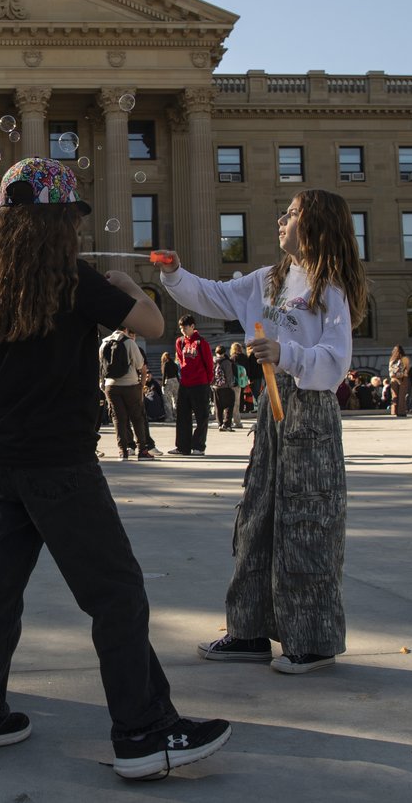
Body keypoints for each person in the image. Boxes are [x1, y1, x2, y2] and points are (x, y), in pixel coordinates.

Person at [0, 156, 230, 779]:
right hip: (62, 463)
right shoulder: (72, 281)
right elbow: (154, 324)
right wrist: (130, 288)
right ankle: (144, 730)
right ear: (59, 223)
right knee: (115, 593)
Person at [158, 188, 367, 677]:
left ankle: (311, 641)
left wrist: (285, 354)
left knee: (305, 520)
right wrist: (172, 273)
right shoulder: (269, 280)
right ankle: (249, 631)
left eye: (291, 214)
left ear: (314, 224)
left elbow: (336, 363)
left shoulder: (328, 285)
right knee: (257, 516)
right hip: (273, 416)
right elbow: (211, 295)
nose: (280, 220)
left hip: (308, 411)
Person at [100, 326, 153, 459]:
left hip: (110, 386)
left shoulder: (104, 343)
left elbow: (100, 367)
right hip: (130, 385)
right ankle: (142, 451)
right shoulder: (129, 342)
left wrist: (102, 385)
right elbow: (140, 365)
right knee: (137, 418)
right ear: (126, 330)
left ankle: (123, 451)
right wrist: (141, 386)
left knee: (118, 419)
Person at [171, 314, 212, 456]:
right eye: (181, 328)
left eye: (185, 327)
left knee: (202, 416)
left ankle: (199, 446)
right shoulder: (180, 342)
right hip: (185, 384)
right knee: (182, 416)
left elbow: (209, 364)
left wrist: (208, 381)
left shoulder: (202, 343)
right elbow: (181, 361)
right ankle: (182, 447)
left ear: (193, 326)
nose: (183, 330)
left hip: (200, 384)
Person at [210, 344, 237, 432]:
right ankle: (227, 424)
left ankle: (220, 424)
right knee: (229, 405)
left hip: (216, 387)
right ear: (224, 352)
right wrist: (230, 385)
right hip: (226, 387)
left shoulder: (213, 361)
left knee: (218, 406)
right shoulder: (227, 362)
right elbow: (229, 375)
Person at [388, 345, 411, 417]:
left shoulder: (392, 359)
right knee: (402, 396)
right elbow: (407, 369)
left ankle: (394, 411)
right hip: (403, 378)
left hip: (394, 379)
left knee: (394, 395)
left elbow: (390, 370)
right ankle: (401, 412)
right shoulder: (405, 359)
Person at [159, 351, 179, 422]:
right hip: (176, 381)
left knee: (167, 400)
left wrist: (163, 384)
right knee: (176, 399)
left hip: (168, 381)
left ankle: (169, 417)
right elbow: (177, 374)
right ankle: (177, 415)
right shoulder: (174, 364)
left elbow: (164, 375)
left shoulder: (165, 364)